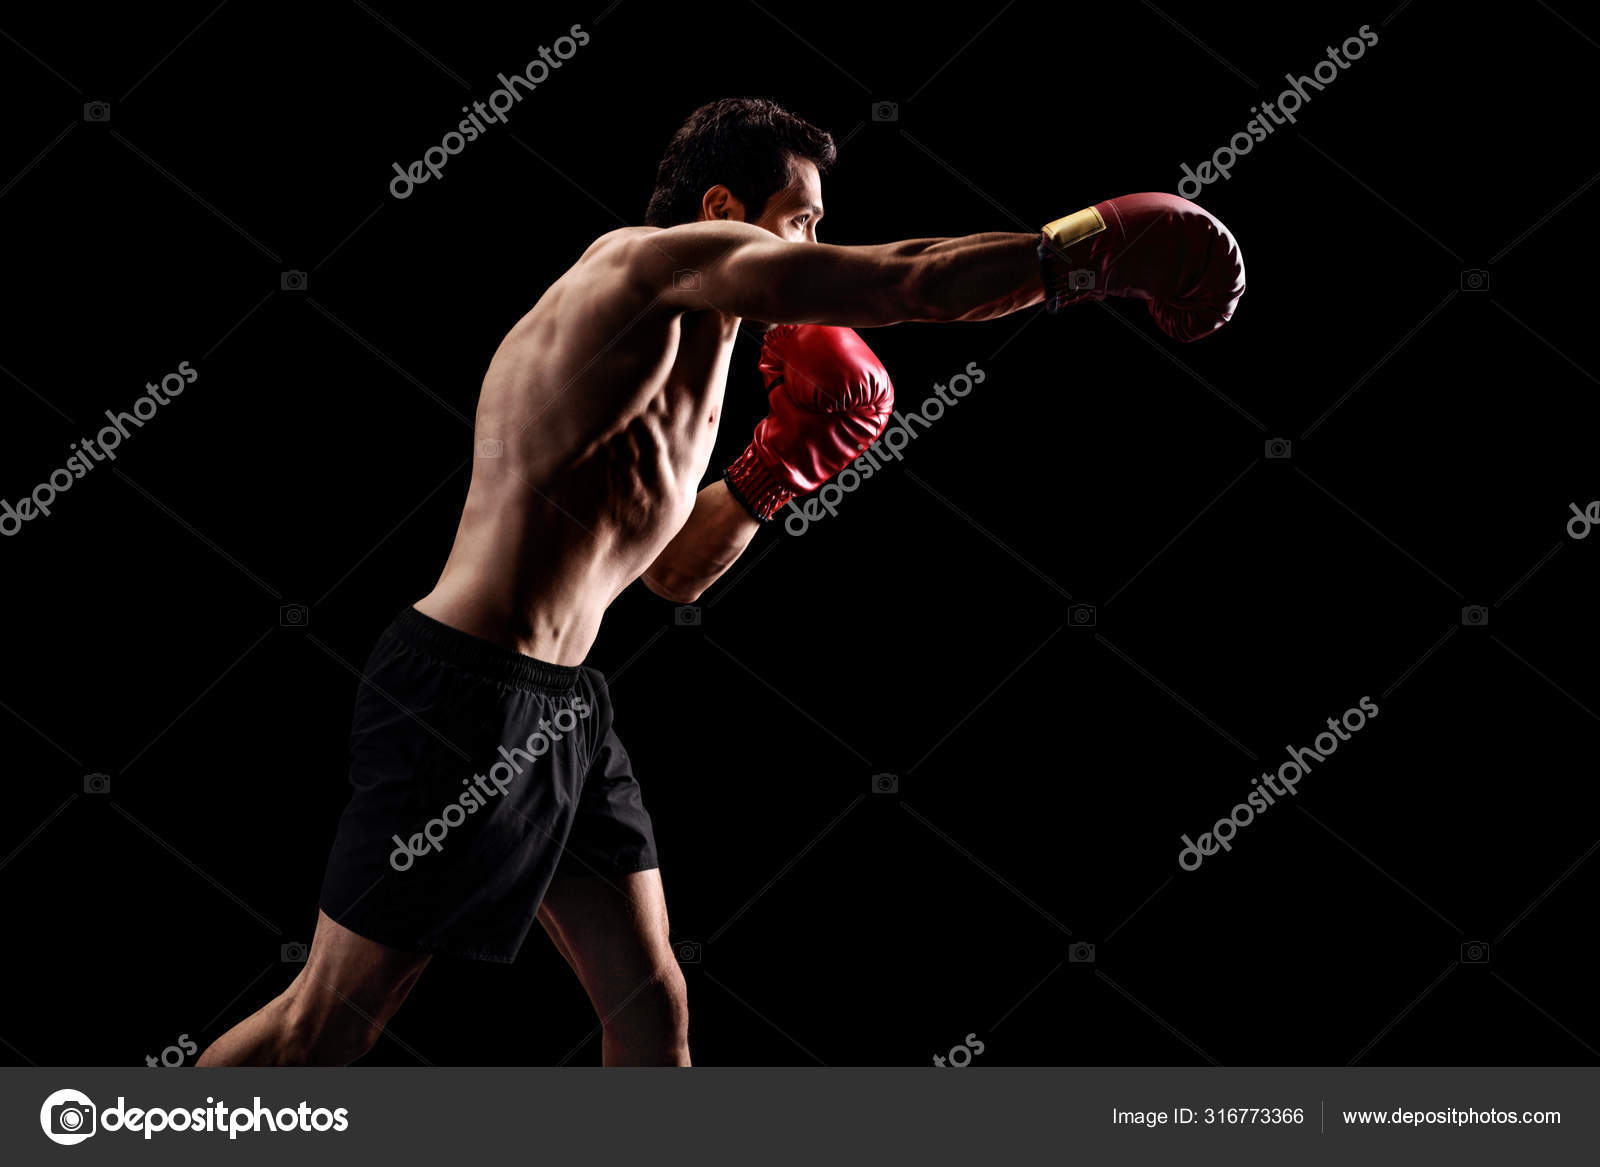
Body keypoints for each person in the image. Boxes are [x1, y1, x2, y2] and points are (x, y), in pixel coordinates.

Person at [197, 97, 1244, 1067]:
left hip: (560, 707)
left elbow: (669, 578)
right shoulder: (646, 267)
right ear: (722, 210)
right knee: (321, 1032)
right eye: (799, 220)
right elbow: (909, 281)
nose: (809, 247)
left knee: (650, 1009)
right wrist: (1085, 252)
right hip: (463, 699)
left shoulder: (688, 359)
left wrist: (773, 468)